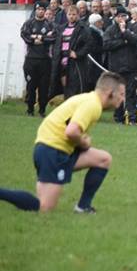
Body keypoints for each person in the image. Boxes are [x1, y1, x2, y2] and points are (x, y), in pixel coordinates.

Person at [0, 72, 125, 213]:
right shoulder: (93, 105)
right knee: (44, 208)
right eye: (121, 94)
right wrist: (83, 142)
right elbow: (71, 132)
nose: (123, 98)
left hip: (51, 147)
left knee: (103, 159)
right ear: (110, 93)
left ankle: (83, 207)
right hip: (52, 151)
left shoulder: (88, 99)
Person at [102, 7, 137, 123]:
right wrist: (123, 42)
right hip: (116, 66)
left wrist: (125, 32)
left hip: (131, 66)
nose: (121, 18)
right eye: (119, 16)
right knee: (117, 93)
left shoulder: (133, 26)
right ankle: (118, 118)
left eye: (123, 16)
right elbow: (106, 45)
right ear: (115, 17)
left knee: (131, 93)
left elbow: (135, 39)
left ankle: (132, 118)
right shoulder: (110, 29)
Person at [52, 5, 95, 100]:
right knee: (64, 87)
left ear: (78, 15)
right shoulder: (61, 28)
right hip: (62, 62)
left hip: (75, 63)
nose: (71, 16)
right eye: (69, 14)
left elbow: (89, 44)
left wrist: (78, 54)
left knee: (75, 88)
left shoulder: (83, 28)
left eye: (74, 14)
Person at [21, 4, 56, 116]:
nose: (41, 11)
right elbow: (24, 35)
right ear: (35, 10)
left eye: (43, 9)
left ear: (45, 11)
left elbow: (53, 37)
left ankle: (42, 110)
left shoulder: (50, 24)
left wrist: (38, 37)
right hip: (31, 59)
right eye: (39, 9)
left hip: (45, 60)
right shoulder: (29, 23)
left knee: (44, 86)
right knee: (31, 85)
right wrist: (35, 39)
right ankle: (30, 109)